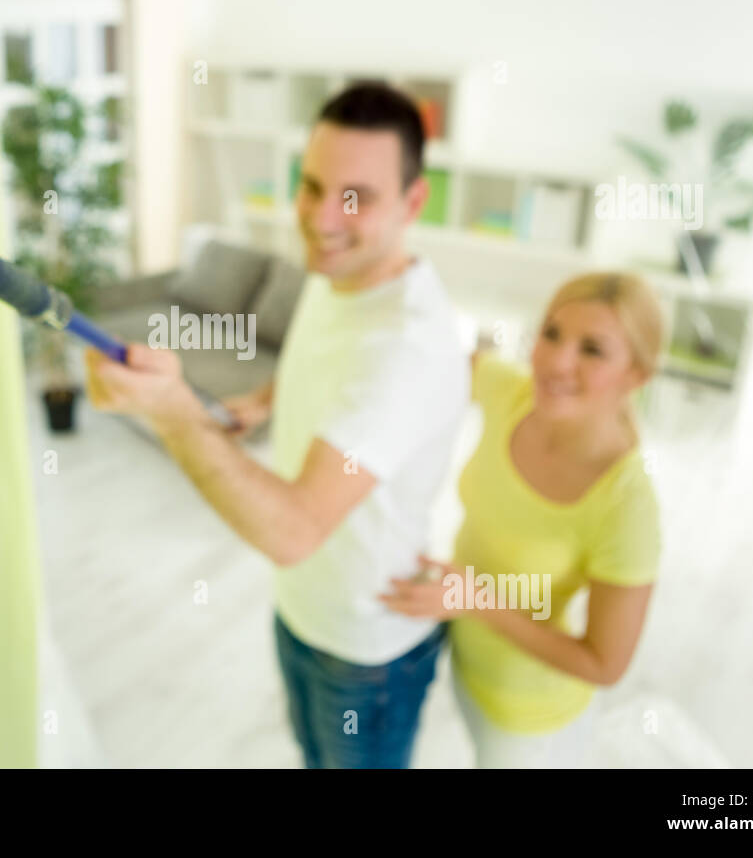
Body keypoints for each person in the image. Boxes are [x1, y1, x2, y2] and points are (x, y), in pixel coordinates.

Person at [84, 82, 468, 768]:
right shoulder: (340, 275)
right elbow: (318, 358)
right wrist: (262, 400)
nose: (322, 218)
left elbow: (293, 530)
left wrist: (173, 414)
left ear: (414, 202)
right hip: (303, 610)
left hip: (365, 651)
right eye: (312, 185)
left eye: (357, 197)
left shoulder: (406, 352)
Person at [380, 272, 664, 767]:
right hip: (466, 668)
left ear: (636, 376)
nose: (556, 361)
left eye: (592, 350)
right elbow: (434, 362)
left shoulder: (626, 507)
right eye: (552, 334)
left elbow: (605, 664)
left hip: (532, 723)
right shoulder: (512, 394)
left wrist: (475, 601)